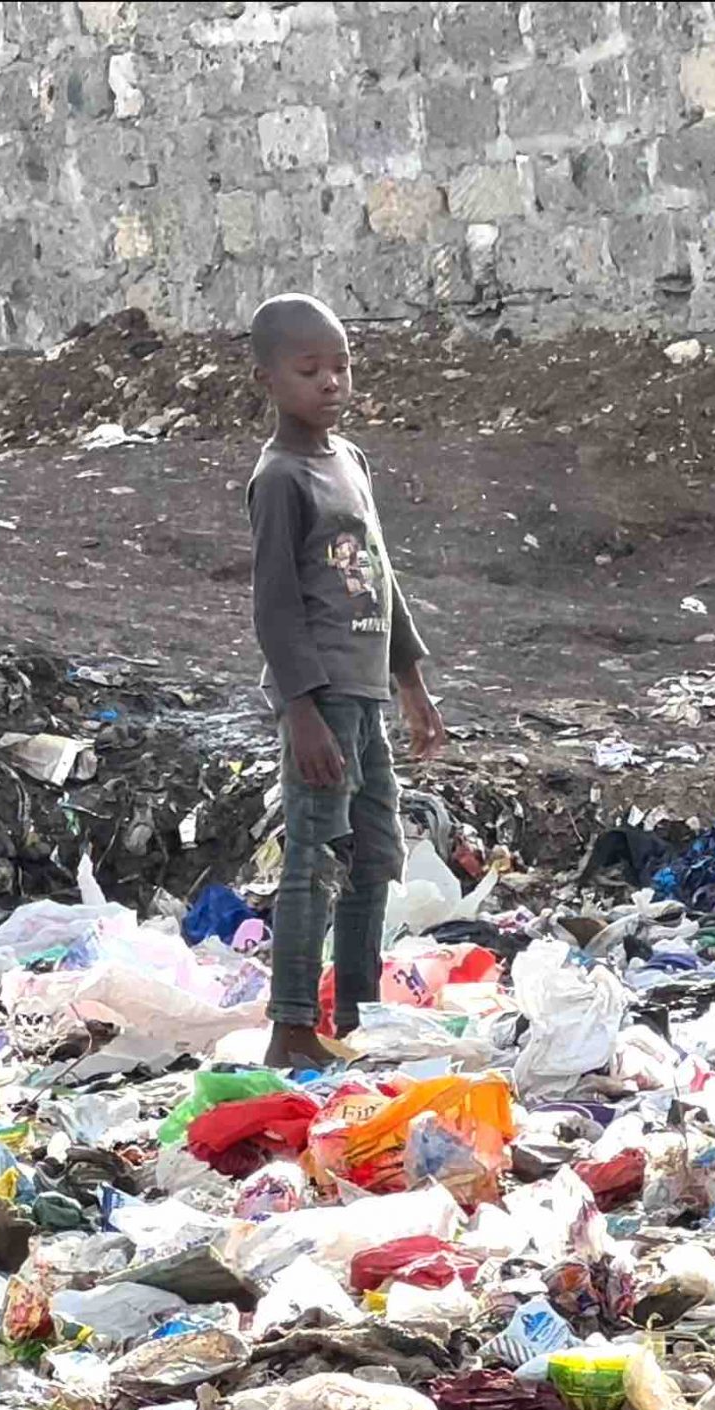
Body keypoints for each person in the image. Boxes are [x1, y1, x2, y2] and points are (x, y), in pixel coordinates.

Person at [243, 293, 446, 1069]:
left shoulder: (350, 461)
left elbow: (381, 579)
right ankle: (291, 1026)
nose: (331, 382)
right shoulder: (280, 479)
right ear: (268, 380)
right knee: (313, 855)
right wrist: (300, 712)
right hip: (321, 698)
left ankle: (359, 1013)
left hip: (366, 696)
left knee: (374, 851)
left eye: (341, 366)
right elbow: (274, 605)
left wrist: (412, 683)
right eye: (310, 370)